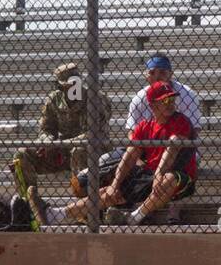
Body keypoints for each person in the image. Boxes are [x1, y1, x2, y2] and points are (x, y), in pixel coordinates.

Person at [33, 82, 196, 228]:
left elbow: (173, 147)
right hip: (150, 175)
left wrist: (159, 174)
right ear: (152, 105)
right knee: (108, 193)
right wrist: (115, 185)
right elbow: (130, 157)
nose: (171, 104)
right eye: (165, 100)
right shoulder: (144, 127)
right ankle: (55, 214)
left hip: (179, 177)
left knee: (167, 179)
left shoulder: (180, 121)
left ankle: (133, 217)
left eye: (172, 99)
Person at [12, 62, 112, 194]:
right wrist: (48, 142)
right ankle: (27, 202)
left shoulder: (96, 98)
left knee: (79, 150)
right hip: (61, 151)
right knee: (22, 154)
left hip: (93, 151)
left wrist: (62, 144)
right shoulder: (54, 99)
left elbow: (94, 133)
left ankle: (87, 207)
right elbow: (45, 128)